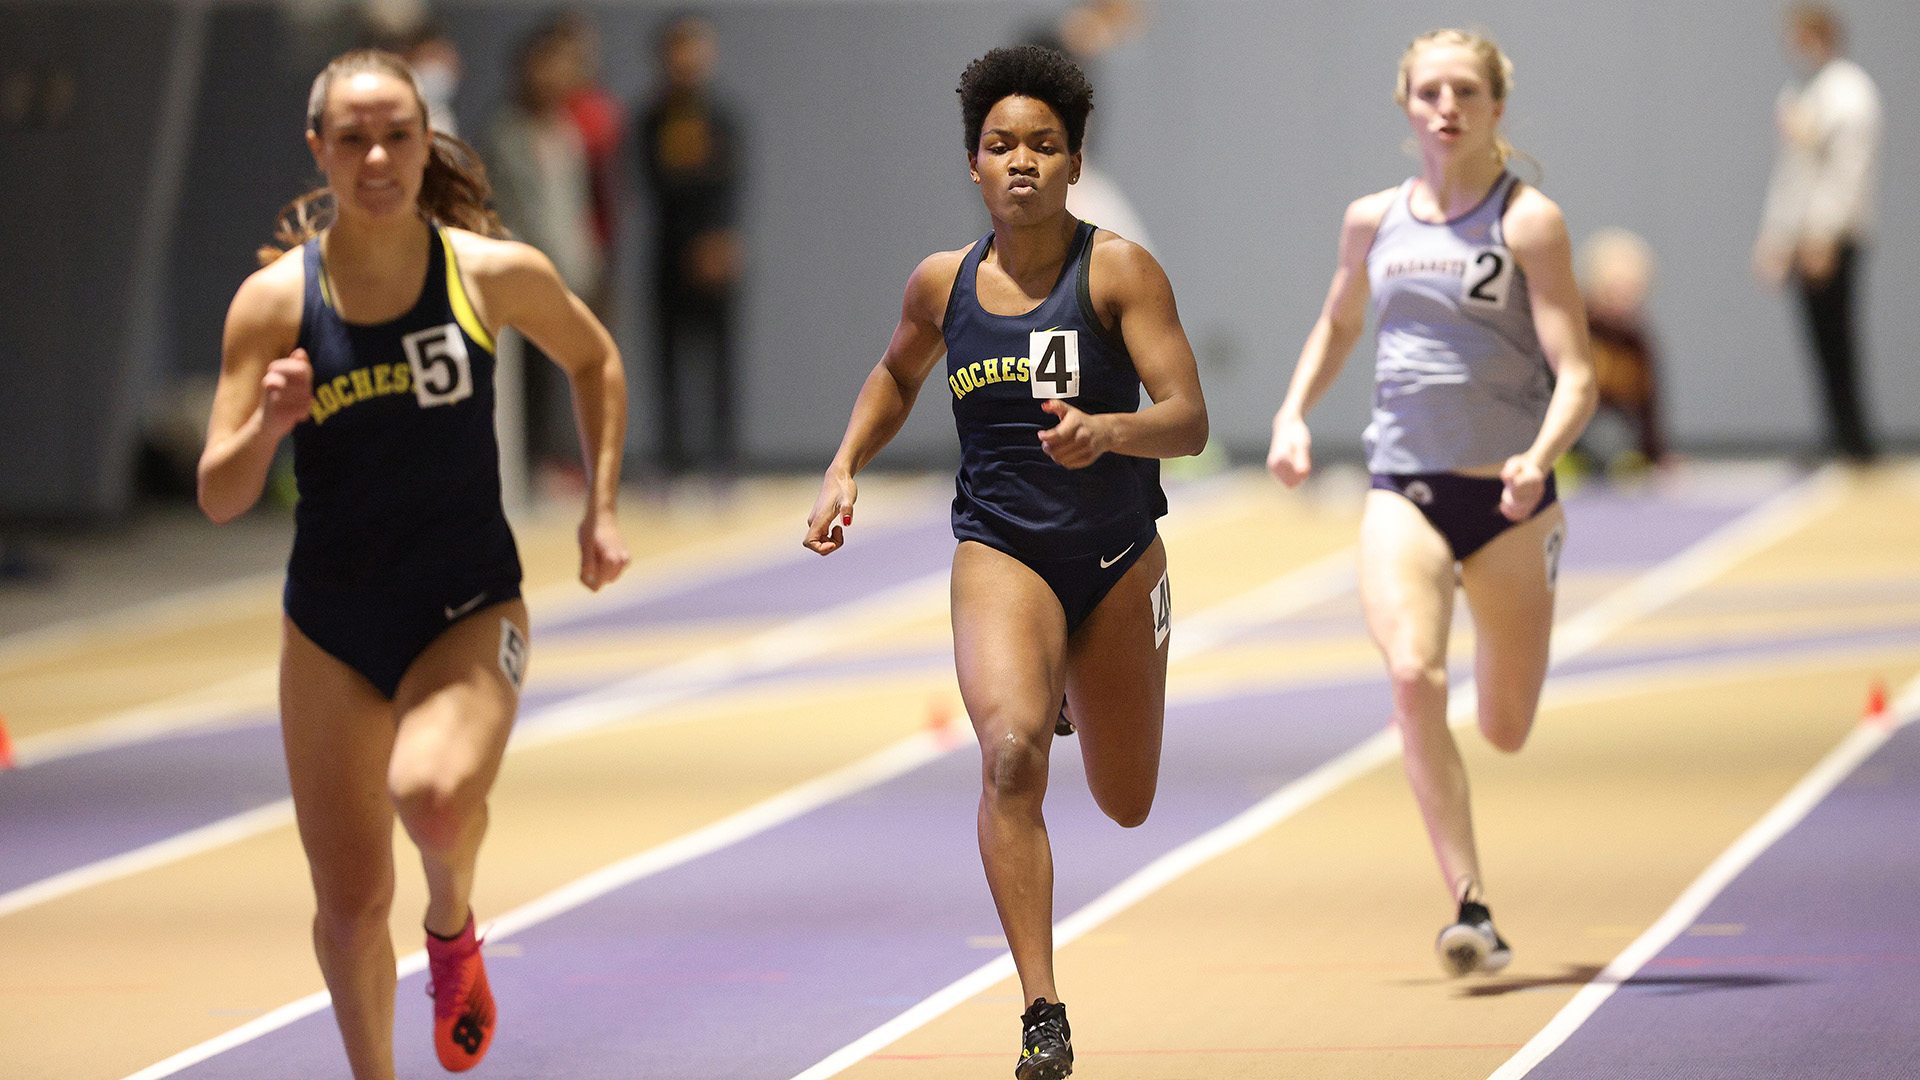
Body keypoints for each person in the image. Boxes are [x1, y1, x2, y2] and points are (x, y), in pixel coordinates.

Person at [197, 50, 629, 1079]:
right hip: (332, 627)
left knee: (430, 794)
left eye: (397, 134)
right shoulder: (274, 304)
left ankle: (452, 924)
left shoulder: (487, 273)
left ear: (427, 141)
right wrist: (267, 426)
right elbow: (219, 492)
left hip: (468, 607)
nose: (379, 157)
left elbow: (593, 358)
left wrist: (600, 506)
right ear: (319, 149)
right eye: (353, 139)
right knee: (349, 905)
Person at [805, 45, 1206, 1079]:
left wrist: (1109, 432)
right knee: (1011, 756)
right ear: (974, 164)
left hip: (1117, 554)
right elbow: (897, 375)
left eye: (1043, 145)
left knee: (1126, 799)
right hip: (1002, 548)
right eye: (1001, 145)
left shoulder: (1117, 272)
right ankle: (1041, 1010)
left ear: (1074, 163)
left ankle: (1072, 676)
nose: (1021, 161)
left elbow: (1189, 419)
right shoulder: (942, 285)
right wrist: (845, 466)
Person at [1265, 29, 1596, 977]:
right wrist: (1292, 415)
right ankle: (1471, 905)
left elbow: (1577, 372)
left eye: (1465, 91)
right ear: (1407, 105)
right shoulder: (1372, 220)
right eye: (1429, 92)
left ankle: (1515, 622)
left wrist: (1540, 457)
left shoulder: (1529, 222)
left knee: (1504, 728)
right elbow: (1338, 322)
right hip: (1402, 488)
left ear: (1495, 106)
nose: (1446, 107)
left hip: (1510, 500)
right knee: (1413, 674)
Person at [1753, 2, 1881, 462]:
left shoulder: (1849, 91)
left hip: (1831, 238)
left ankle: (1855, 438)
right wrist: (1777, 238)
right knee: (1819, 341)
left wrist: (1825, 233)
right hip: (1803, 237)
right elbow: (1794, 174)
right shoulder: (1803, 92)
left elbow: (1848, 171)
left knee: (1838, 336)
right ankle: (1836, 431)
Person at [636, 13, 743, 476]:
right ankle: (674, 457)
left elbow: (731, 184)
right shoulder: (650, 120)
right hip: (670, 251)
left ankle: (723, 455)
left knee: (720, 356)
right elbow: (655, 185)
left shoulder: (724, 117)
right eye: (679, 49)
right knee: (668, 357)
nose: (687, 60)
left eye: (695, 48)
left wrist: (720, 239)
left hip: (715, 249)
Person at [1578, 227, 1666, 473]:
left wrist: (1658, 457)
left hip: (1615, 441)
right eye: (1615, 291)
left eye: (1631, 291)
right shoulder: (1572, 332)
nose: (1623, 301)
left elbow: (1649, 407)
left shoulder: (1637, 342)